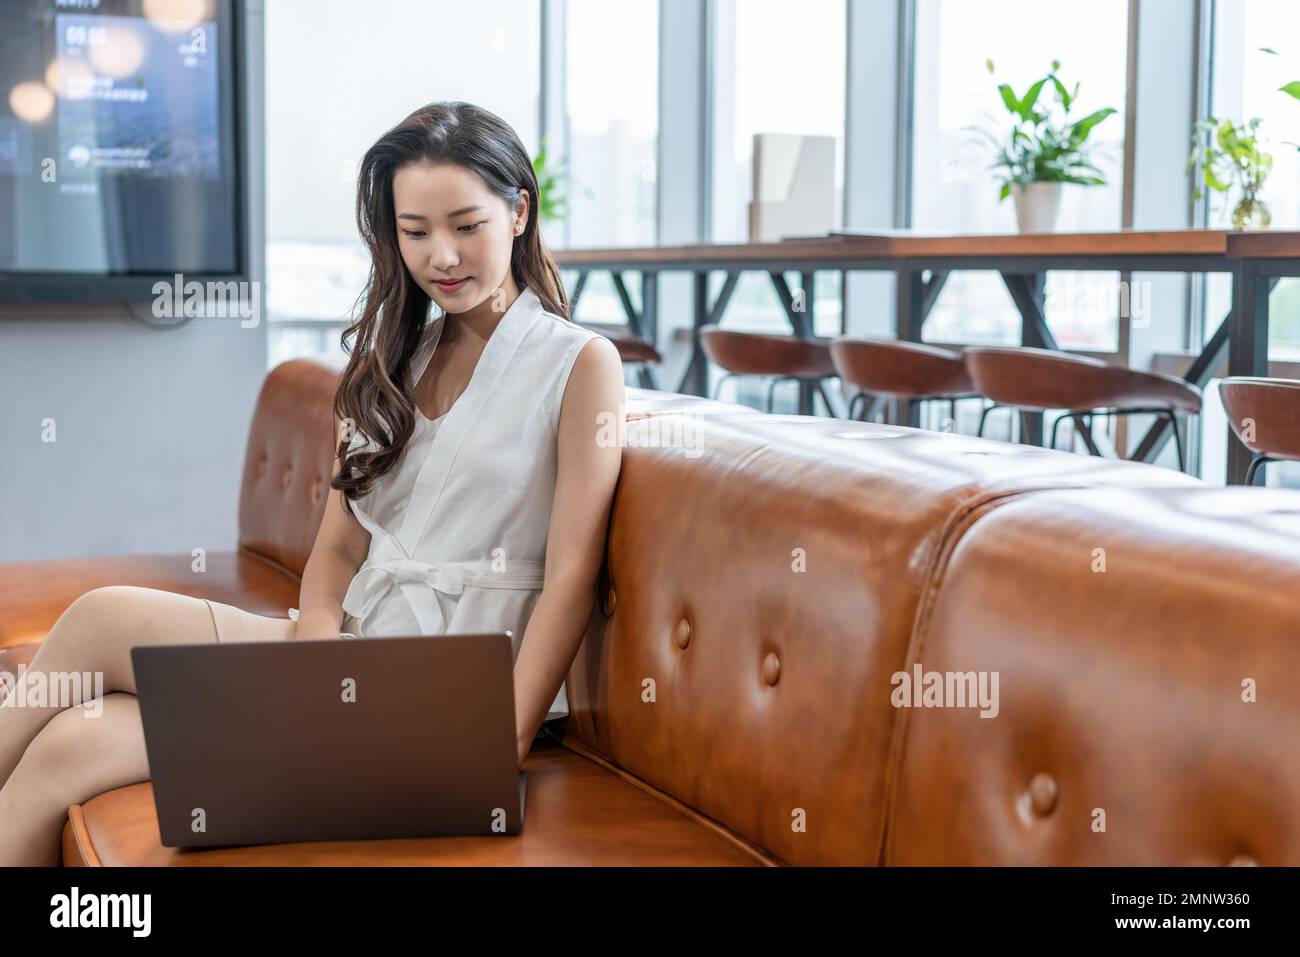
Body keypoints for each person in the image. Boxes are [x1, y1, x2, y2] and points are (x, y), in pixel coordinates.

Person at [0, 101, 625, 866]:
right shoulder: (398, 358)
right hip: (347, 657)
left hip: (451, 694)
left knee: (97, 635)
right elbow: (335, 549)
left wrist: (501, 749)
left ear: (519, 212)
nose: (442, 255)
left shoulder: (579, 364)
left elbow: (569, 577)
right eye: (415, 231)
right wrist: (316, 669)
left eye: (467, 225)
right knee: (71, 741)